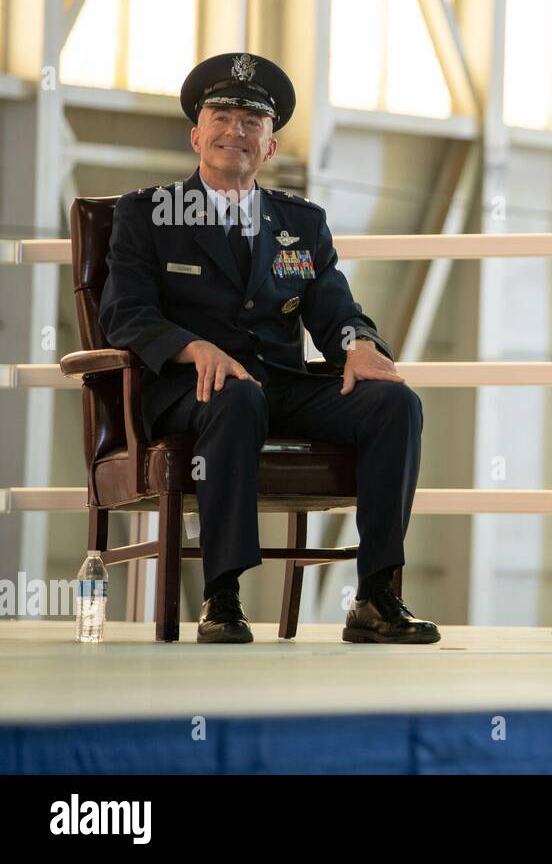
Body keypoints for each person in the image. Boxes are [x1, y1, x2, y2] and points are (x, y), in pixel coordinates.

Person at [100, 52, 439, 645]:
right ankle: (223, 596)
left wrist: (358, 344)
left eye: (252, 122)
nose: (236, 131)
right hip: (194, 389)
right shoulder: (148, 213)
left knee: (394, 405)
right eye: (222, 117)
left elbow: (334, 308)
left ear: (270, 145)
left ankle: (376, 596)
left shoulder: (300, 224)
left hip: (281, 383)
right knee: (235, 399)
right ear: (196, 135)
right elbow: (124, 314)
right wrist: (192, 347)